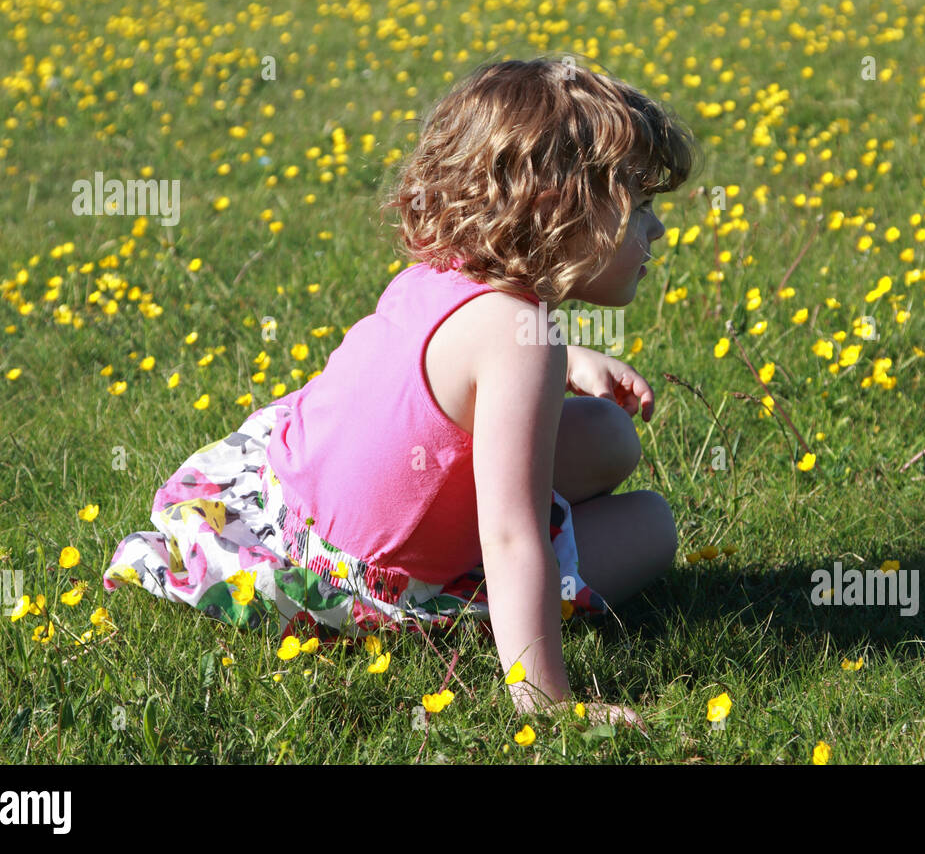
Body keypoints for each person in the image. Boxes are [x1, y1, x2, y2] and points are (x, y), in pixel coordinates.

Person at [104, 55, 701, 732]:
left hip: (284, 502)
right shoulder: (523, 338)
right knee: (651, 527)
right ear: (555, 206)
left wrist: (573, 361)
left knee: (608, 434)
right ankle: (469, 631)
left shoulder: (452, 270)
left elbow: (455, 365)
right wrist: (547, 703)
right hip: (356, 576)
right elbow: (509, 536)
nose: (656, 231)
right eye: (642, 205)